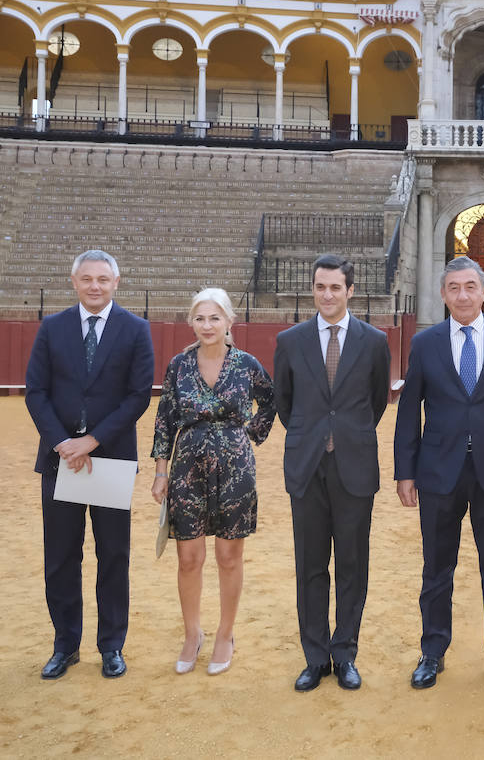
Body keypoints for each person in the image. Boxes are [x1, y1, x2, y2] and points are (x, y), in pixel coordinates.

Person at [394, 256, 484, 692]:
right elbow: (409, 411)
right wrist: (405, 471)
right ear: (443, 294)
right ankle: (432, 652)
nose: (462, 295)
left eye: (470, 286)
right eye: (454, 287)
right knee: (437, 567)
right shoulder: (425, 343)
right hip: (438, 471)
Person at [25, 249, 155, 680]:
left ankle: (111, 646)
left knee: (113, 555)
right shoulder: (52, 327)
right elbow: (36, 391)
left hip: (111, 458)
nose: (94, 286)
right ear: (74, 282)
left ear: (116, 282)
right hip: (60, 459)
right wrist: (63, 442)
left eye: (102, 279)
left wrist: (92, 440)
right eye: (87, 279)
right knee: (61, 557)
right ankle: (65, 646)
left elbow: (138, 396)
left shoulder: (135, 329)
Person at [272, 254, 391, 692]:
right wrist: (316, 435)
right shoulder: (290, 341)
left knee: (352, 565)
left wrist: (344, 435)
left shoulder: (374, 341)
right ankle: (315, 657)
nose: (327, 295)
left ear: (350, 291)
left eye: (335, 287)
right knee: (310, 564)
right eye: (320, 287)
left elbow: (376, 401)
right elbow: (285, 403)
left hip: (354, 464)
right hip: (307, 466)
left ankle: (345, 654)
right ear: (313, 289)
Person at [150, 287, 275, 676]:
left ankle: (225, 634)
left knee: (228, 556)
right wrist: (160, 472)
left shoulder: (246, 364)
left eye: (214, 318)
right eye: (200, 318)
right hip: (187, 468)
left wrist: (248, 435)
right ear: (191, 322)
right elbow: (165, 419)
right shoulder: (178, 366)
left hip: (236, 470)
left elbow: (271, 401)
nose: (207, 325)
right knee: (189, 558)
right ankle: (193, 634)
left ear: (229, 321)